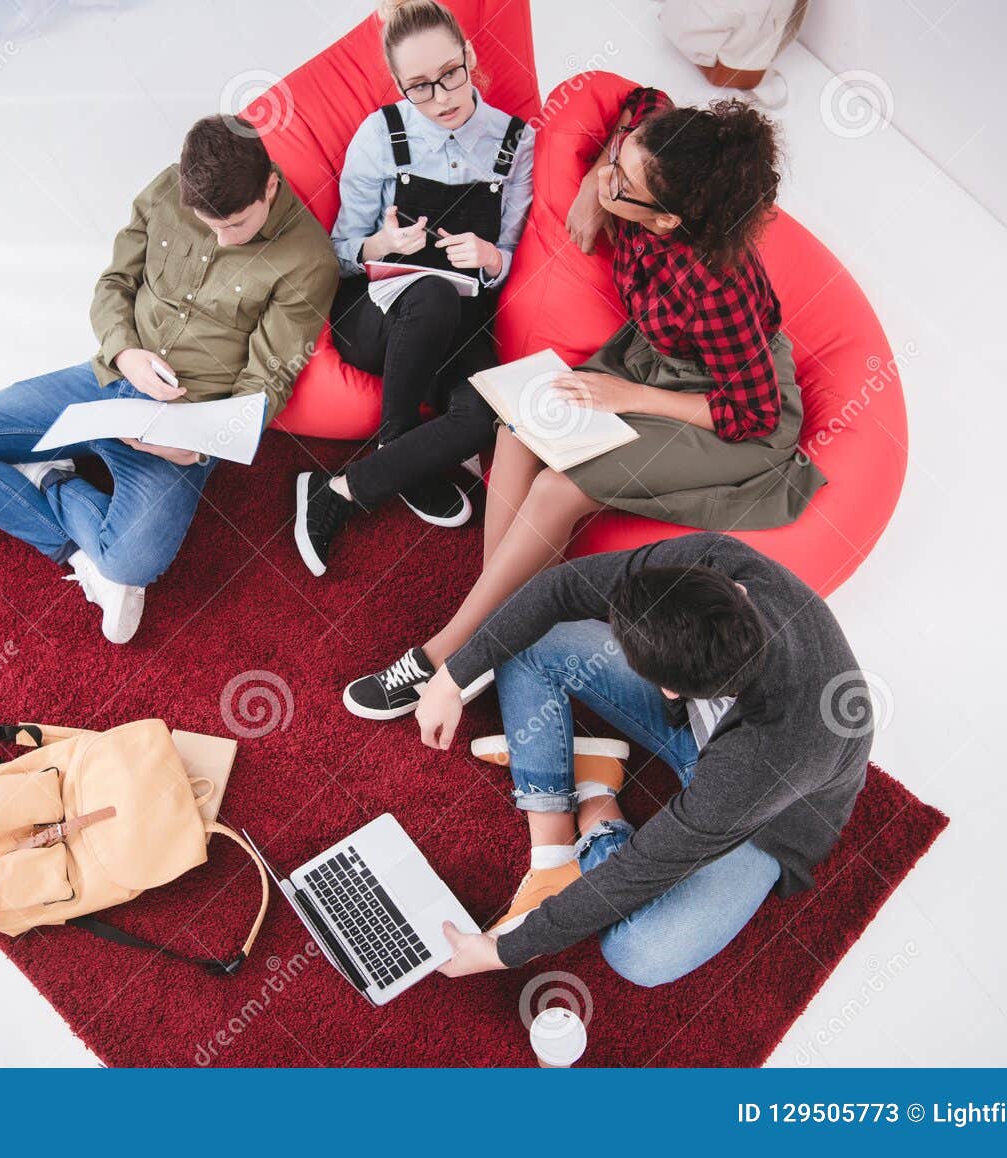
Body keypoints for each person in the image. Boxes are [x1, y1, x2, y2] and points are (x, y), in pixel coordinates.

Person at [340, 82, 824, 718]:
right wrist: (604, 175)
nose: (609, 175)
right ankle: (503, 628)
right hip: (651, 357)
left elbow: (754, 413)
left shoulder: (717, 283)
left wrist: (630, 396)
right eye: (619, 156)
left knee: (557, 490)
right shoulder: (647, 159)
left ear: (666, 218)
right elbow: (643, 99)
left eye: (623, 181)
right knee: (515, 426)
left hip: (718, 405)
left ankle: (449, 657)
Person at [0, 116, 337, 643]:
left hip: (180, 421)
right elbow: (114, 283)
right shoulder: (165, 188)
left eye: (237, 226)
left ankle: (50, 477)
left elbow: (266, 381)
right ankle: (80, 550)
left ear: (270, 185)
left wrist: (199, 449)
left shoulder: (309, 260)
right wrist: (126, 352)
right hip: (107, 378)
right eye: (209, 224)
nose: (223, 239)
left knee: (133, 562)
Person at [414, 532, 871, 987]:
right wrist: (451, 677)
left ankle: (596, 804)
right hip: (708, 731)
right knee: (529, 637)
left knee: (641, 954)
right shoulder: (719, 563)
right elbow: (562, 587)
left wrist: (503, 952)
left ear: (670, 689)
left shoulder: (762, 761)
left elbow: (641, 870)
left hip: (768, 819)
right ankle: (553, 852)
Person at [293, 0, 534, 576]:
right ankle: (399, 445)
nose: (442, 97)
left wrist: (490, 257)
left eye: (451, 74)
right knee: (429, 292)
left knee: (484, 415)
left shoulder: (514, 143)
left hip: (462, 319)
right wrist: (383, 245)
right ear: (400, 86)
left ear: (470, 57)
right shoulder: (380, 134)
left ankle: (343, 487)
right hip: (376, 316)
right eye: (420, 87)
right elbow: (339, 254)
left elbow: (516, 255)